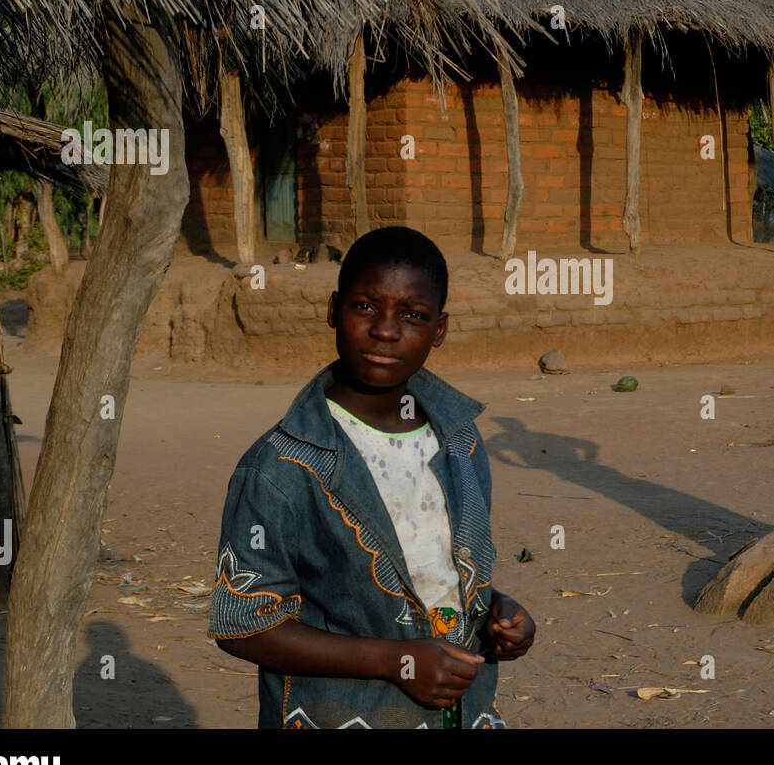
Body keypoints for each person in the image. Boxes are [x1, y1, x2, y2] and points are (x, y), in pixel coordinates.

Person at [208, 226, 534, 728]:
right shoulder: (280, 467)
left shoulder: (461, 441)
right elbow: (242, 625)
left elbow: (443, 569)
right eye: (365, 307)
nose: (386, 329)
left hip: (462, 710)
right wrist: (396, 661)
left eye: (412, 315)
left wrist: (498, 611)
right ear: (334, 309)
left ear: (440, 329)